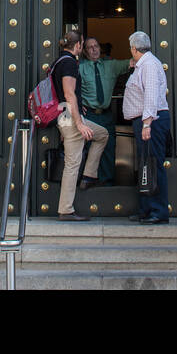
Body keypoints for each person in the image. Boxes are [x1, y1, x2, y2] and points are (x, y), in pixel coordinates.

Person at [53, 29, 109, 221]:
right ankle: (66, 209)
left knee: (102, 134)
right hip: (70, 117)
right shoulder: (69, 63)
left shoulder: (58, 62)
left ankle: (89, 175)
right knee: (72, 164)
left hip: (65, 115)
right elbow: (69, 94)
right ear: (78, 46)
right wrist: (78, 123)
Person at [123, 31, 171, 224]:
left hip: (152, 121)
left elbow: (151, 95)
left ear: (134, 48)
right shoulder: (143, 65)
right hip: (146, 121)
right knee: (145, 166)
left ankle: (158, 211)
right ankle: (146, 209)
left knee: (153, 165)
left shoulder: (149, 65)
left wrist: (147, 123)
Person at [77, 36, 130, 185]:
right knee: (89, 149)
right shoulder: (79, 67)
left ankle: (107, 182)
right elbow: (69, 86)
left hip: (106, 115)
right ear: (85, 52)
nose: (94, 49)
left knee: (109, 148)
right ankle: (89, 181)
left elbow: (132, 62)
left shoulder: (111, 65)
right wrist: (77, 104)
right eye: (90, 47)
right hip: (90, 116)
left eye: (96, 46)